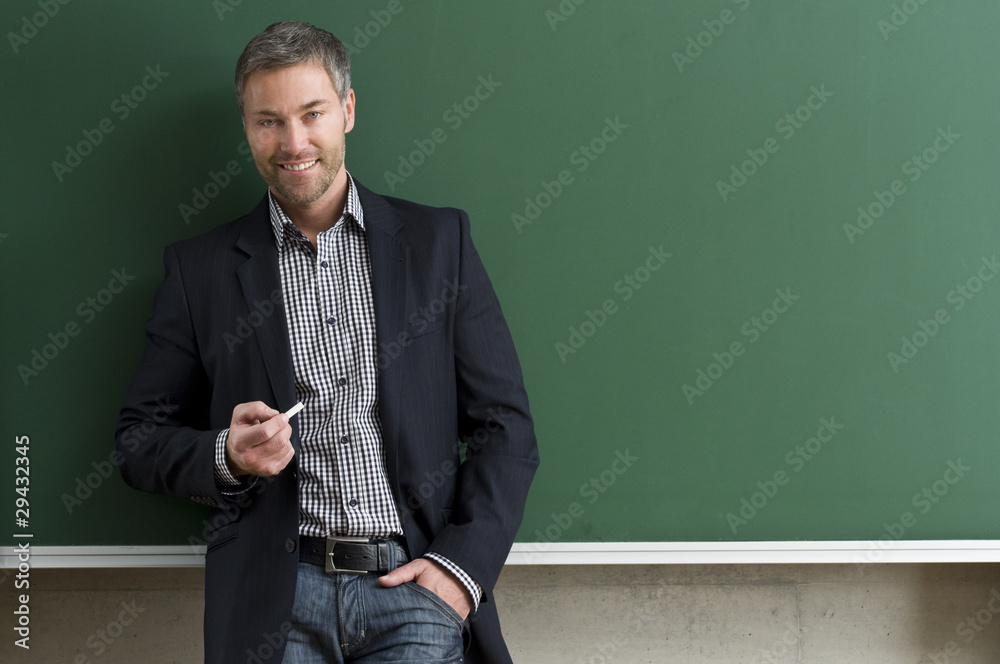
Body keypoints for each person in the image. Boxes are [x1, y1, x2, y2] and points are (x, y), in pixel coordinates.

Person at [116, 21, 538, 664]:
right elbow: (138, 442)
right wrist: (226, 457)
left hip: (414, 588)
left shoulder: (438, 245)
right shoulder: (196, 270)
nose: (293, 142)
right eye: (268, 121)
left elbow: (506, 428)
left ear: (345, 110)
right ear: (247, 128)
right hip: (274, 604)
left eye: (311, 114)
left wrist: (461, 569)